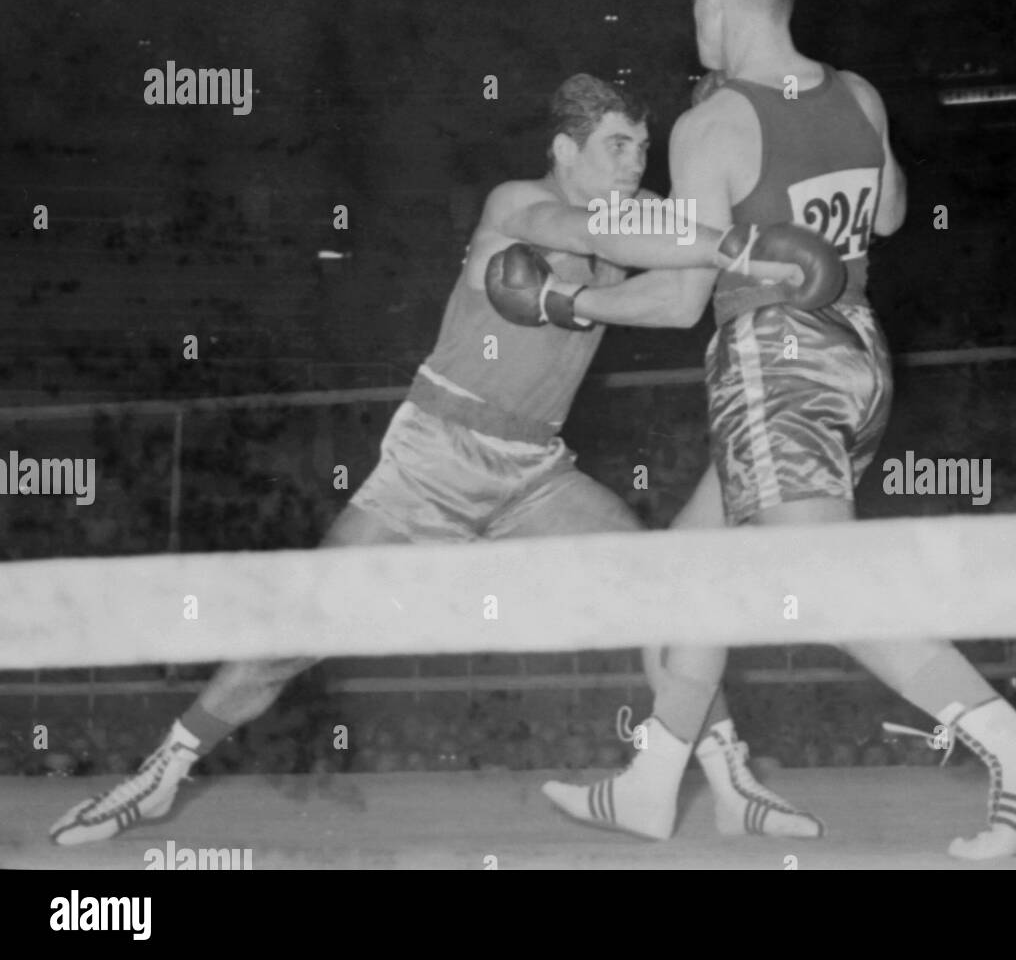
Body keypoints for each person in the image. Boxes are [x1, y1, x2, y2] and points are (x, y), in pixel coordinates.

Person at [50, 72, 828, 846]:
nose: (634, 163)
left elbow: (679, 303)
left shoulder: (639, 218)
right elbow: (599, 236)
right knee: (300, 628)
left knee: (659, 593)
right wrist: (729, 244)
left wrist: (715, 215)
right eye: (616, 146)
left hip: (535, 471)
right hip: (436, 457)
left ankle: (730, 781)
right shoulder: (517, 204)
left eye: (643, 148)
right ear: (565, 150)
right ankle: (161, 774)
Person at [531, 0, 1016, 858]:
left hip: (774, 359)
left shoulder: (713, 124)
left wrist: (575, 282)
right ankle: (652, 782)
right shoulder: (858, 94)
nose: (692, 19)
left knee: (822, 582)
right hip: (857, 354)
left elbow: (682, 297)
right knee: (692, 567)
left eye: (695, 2)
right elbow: (888, 213)